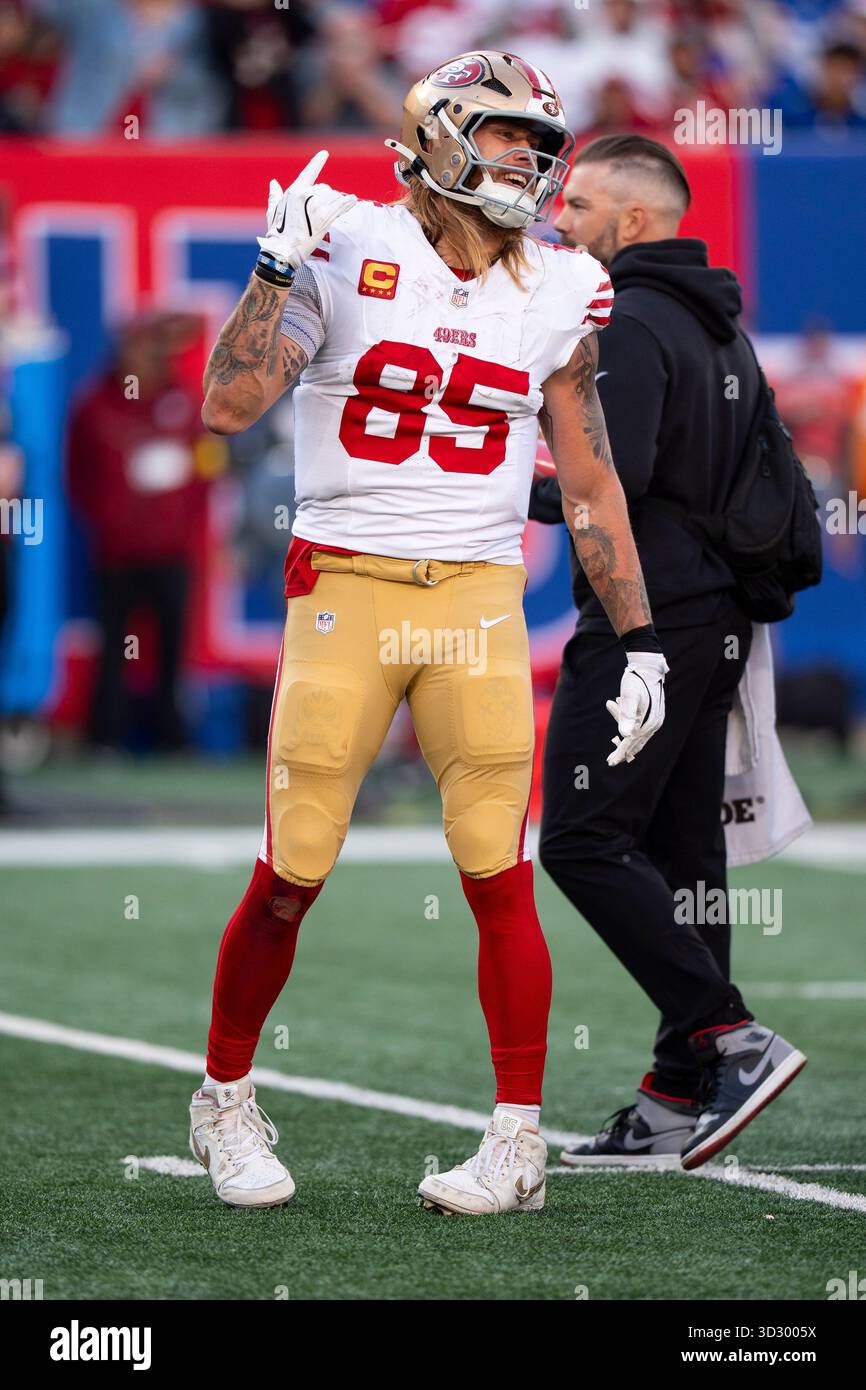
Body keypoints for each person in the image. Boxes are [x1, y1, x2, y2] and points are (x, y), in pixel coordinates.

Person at [188, 51, 668, 1215]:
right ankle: (224, 1096)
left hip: (476, 596)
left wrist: (640, 638)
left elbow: (592, 480)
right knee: (293, 864)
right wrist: (272, 265)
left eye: (538, 146)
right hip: (345, 581)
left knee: (498, 872)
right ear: (444, 132)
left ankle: (515, 1141)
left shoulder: (557, 287)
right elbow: (228, 404)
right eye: (507, 138)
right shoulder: (346, 239)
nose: (529, 163)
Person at [530, 133, 806, 1170]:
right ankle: (675, 1092)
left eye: (579, 204)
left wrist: (496, 484)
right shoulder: (714, 323)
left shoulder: (632, 319)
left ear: (632, 222)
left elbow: (613, 478)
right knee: (686, 857)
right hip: (716, 613)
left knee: (580, 838)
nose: (559, 216)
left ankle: (724, 1031)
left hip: (646, 613)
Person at [67, 311, 210, 752]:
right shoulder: (95, 406)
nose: (148, 358)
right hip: (117, 554)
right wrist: (111, 522)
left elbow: (204, 470)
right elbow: (78, 477)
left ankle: (173, 740)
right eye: (140, 347)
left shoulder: (183, 403)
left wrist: (179, 520)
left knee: (172, 649)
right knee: (114, 647)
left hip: (171, 553)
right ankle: (105, 736)